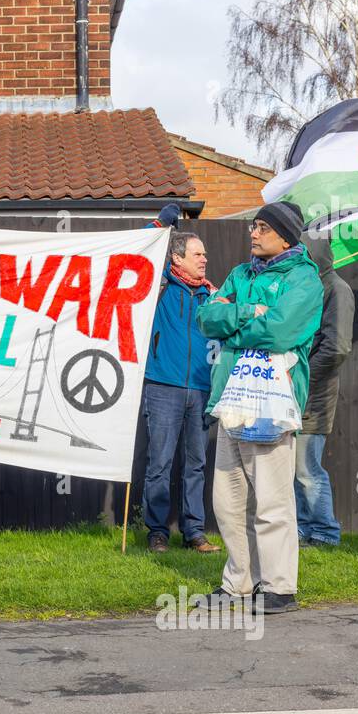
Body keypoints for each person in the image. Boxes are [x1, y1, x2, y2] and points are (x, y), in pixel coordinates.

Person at [195, 201, 323, 614]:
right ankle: (239, 583)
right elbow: (207, 318)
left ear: (286, 236)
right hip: (231, 399)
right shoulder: (239, 273)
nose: (253, 232)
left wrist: (235, 323)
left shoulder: (305, 280)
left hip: (272, 402)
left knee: (272, 500)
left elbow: (282, 332)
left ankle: (280, 587)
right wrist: (250, 311)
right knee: (226, 501)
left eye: (263, 227)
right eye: (254, 225)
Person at [141, 216, 221, 554]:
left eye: (204, 254)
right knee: (159, 463)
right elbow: (137, 257)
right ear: (176, 258)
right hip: (163, 386)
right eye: (197, 254)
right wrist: (160, 222)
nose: (204, 259)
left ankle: (194, 533)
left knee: (196, 464)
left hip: (201, 389)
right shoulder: (158, 287)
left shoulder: (214, 296)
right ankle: (157, 532)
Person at [295, 233, 355, 546]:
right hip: (296, 391)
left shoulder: (336, 289)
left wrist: (301, 377)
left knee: (307, 468)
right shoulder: (308, 287)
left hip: (313, 395)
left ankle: (324, 532)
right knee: (295, 468)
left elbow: (336, 347)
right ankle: (304, 530)